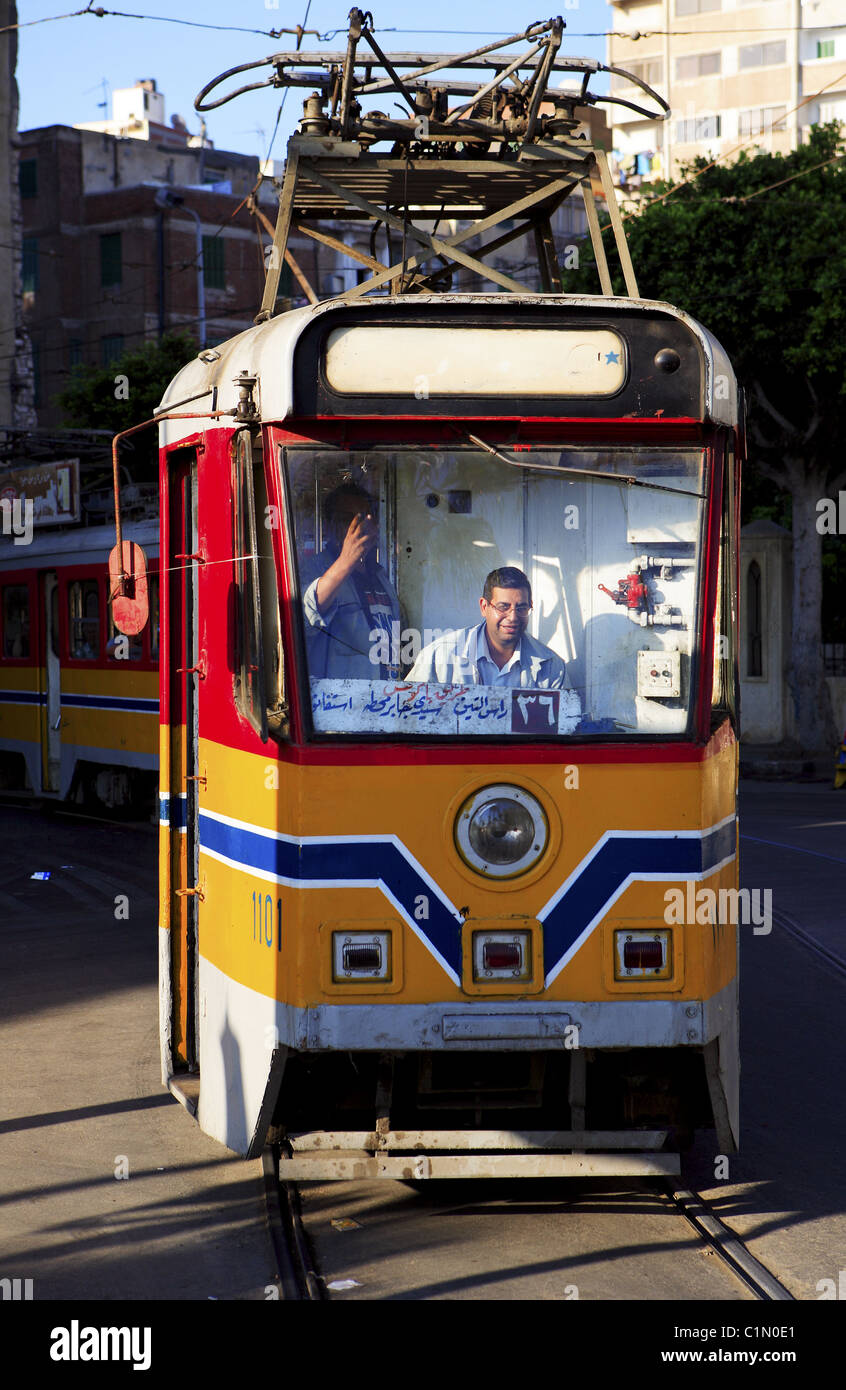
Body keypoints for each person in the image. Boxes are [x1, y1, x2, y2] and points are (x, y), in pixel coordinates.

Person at [301, 482, 401, 679]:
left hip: (385, 699)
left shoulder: (380, 576)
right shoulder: (316, 568)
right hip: (340, 702)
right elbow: (306, 613)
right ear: (329, 526)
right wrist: (347, 560)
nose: (357, 527)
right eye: (348, 519)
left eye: (363, 519)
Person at [407, 566, 568, 688]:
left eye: (521, 608)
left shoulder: (551, 666)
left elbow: (565, 725)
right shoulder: (439, 657)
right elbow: (406, 713)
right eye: (503, 607)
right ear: (484, 607)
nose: (513, 617)